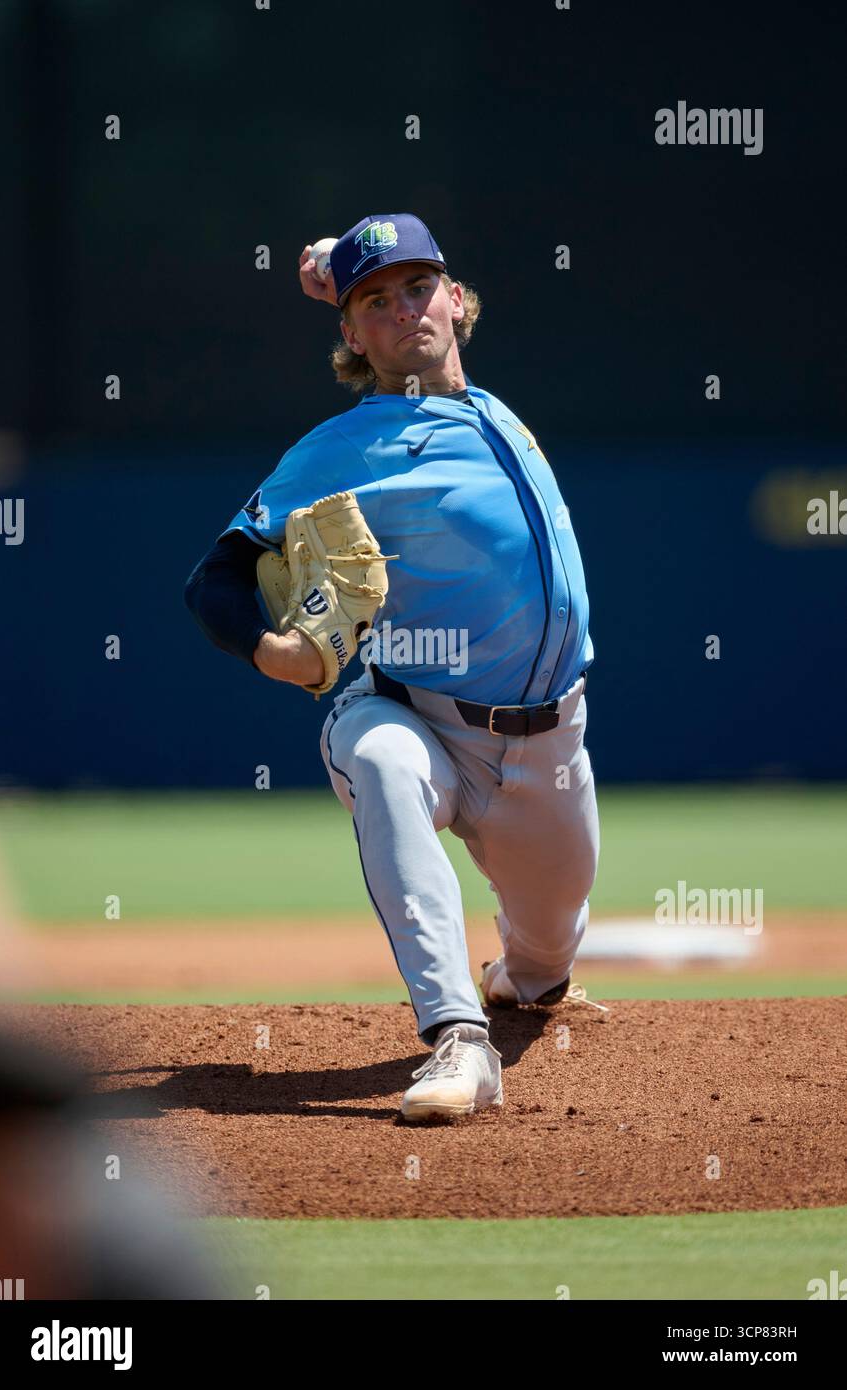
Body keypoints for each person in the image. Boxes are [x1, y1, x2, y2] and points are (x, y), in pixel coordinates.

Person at [185, 213, 599, 1122]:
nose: (404, 308)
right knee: (378, 758)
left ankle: (516, 985)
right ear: (351, 335)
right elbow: (213, 577)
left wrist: (340, 263)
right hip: (413, 714)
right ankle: (457, 1038)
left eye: (419, 287)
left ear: (456, 299)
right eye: (376, 300)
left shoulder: (487, 409)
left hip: (548, 746)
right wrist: (273, 652)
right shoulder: (341, 448)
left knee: (544, 962)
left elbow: (383, 276)